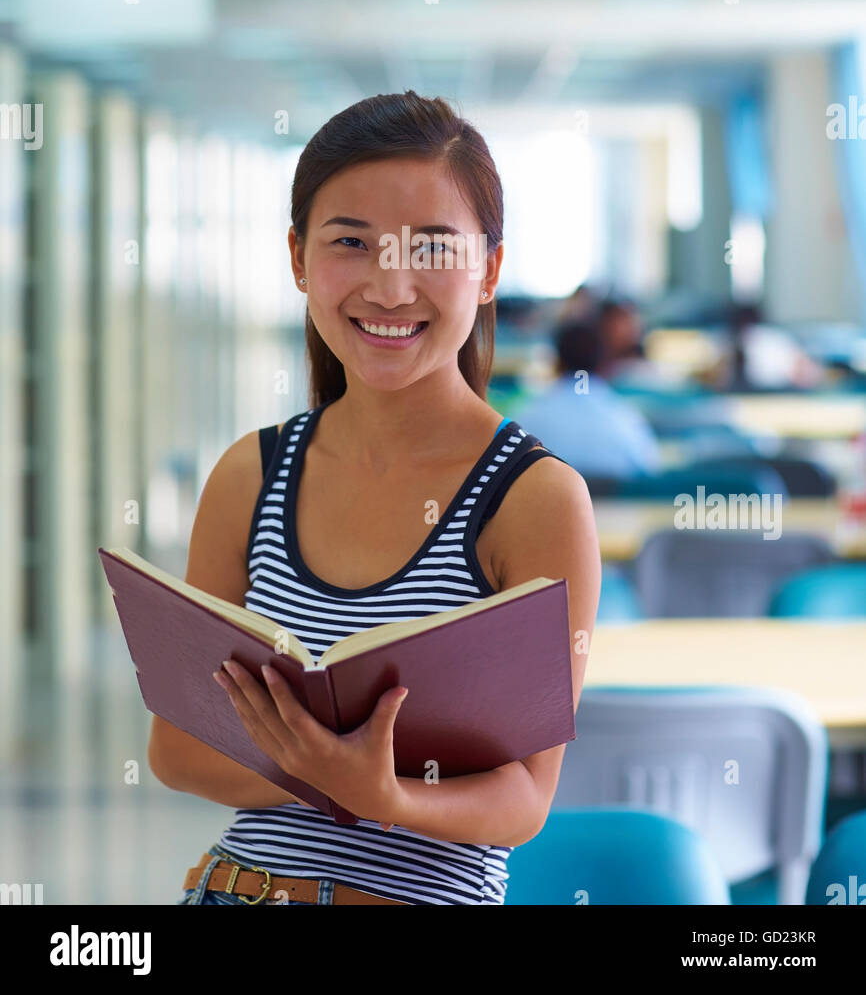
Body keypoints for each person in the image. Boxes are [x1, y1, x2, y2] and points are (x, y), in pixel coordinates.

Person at [149, 89, 600, 906]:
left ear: (489, 270)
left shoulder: (535, 500)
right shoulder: (250, 475)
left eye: (432, 249)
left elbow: (524, 800)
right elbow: (178, 752)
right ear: (298, 259)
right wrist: (330, 770)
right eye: (351, 242)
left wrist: (382, 795)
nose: (391, 288)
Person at [515, 319, 663, 480]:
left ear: (557, 362)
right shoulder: (624, 419)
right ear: (603, 363)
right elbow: (650, 470)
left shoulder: (528, 418)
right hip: (616, 503)